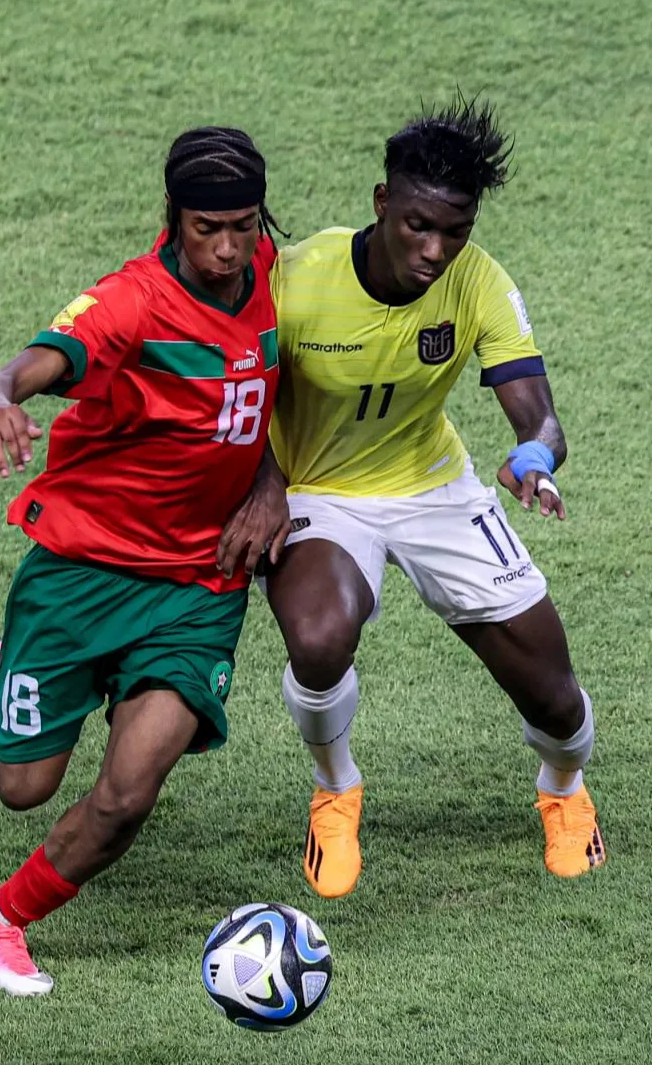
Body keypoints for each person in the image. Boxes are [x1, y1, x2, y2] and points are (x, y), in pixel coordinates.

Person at [234, 96, 604, 895]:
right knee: (321, 634)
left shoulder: (478, 283)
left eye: (456, 230)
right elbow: (238, 396)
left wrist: (534, 455)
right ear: (382, 203)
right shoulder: (297, 277)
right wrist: (266, 484)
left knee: (555, 693)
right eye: (418, 226)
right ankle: (336, 787)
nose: (436, 250)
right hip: (321, 492)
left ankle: (564, 788)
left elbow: (537, 410)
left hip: (434, 488)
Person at [0, 126, 291, 996]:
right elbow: (11, 373)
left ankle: (1, 920)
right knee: (22, 786)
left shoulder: (276, 282)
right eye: (206, 227)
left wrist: (272, 485)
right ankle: (25, 665)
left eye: (245, 227)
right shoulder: (129, 304)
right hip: (84, 575)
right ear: (172, 218)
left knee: (128, 792)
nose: (226, 250)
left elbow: (265, 408)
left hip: (199, 584)